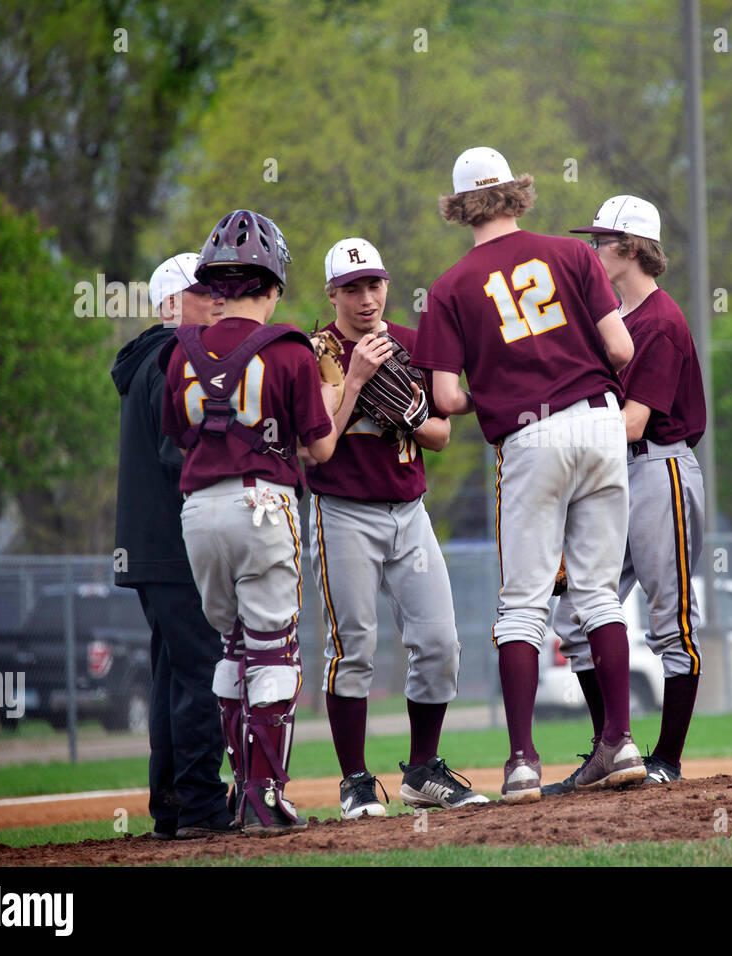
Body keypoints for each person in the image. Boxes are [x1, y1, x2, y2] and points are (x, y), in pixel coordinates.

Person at [414, 147, 643, 802]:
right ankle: (620, 742)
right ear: (517, 194)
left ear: (459, 209)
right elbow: (622, 348)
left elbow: (448, 399)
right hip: (600, 422)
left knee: (523, 603)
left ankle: (521, 762)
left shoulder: (451, 287)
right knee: (598, 592)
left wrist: (503, 382)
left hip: (531, 436)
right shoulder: (573, 257)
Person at [161, 209, 341, 834]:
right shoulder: (289, 348)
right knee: (273, 648)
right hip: (262, 501)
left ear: (215, 284)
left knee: (232, 647)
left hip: (198, 510)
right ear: (273, 283)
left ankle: (243, 793)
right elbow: (319, 451)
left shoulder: (178, 351)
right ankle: (265, 795)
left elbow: (182, 435)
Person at [306, 236, 486, 817]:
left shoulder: (408, 342)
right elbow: (320, 451)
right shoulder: (317, 351)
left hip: (409, 510)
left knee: (438, 643)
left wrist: (410, 414)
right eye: (352, 288)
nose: (366, 298)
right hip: (343, 511)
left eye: (374, 285)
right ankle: (356, 781)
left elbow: (440, 435)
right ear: (332, 292)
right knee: (353, 646)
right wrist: (356, 383)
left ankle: (422, 771)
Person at [542, 195, 705, 791]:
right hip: (611, 471)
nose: (589, 251)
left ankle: (667, 757)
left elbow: (634, 422)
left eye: (600, 241)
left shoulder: (660, 319)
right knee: (575, 615)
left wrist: (554, 436)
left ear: (630, 249)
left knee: (672, 622)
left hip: (657, 469)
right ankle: (611, 745)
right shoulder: (610, 318)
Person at [113, 253, 231, 838]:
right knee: (202, 674)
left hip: (150, 548)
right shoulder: (171, 358)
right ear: (169, 304)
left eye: (219, 288)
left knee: (172, 676)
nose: (218, 297)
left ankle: (174, 808)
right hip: (174, 548)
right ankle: (204, 807)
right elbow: (180, 453)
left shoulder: (149, 359)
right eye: (202, 289)